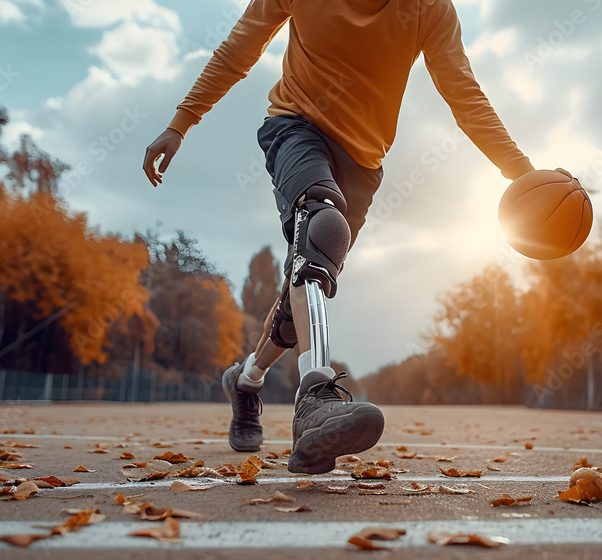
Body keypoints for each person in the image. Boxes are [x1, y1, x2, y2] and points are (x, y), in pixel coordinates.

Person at [142, 0, 535, 474]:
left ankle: (246, 380)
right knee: (321, 227)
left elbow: (463, 94)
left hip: (363, 164)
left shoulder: (429, 8)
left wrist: (523, 173)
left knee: (303, 289)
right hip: (295, 126)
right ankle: (316, 397)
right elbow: (238, 49)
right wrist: (180, 122)